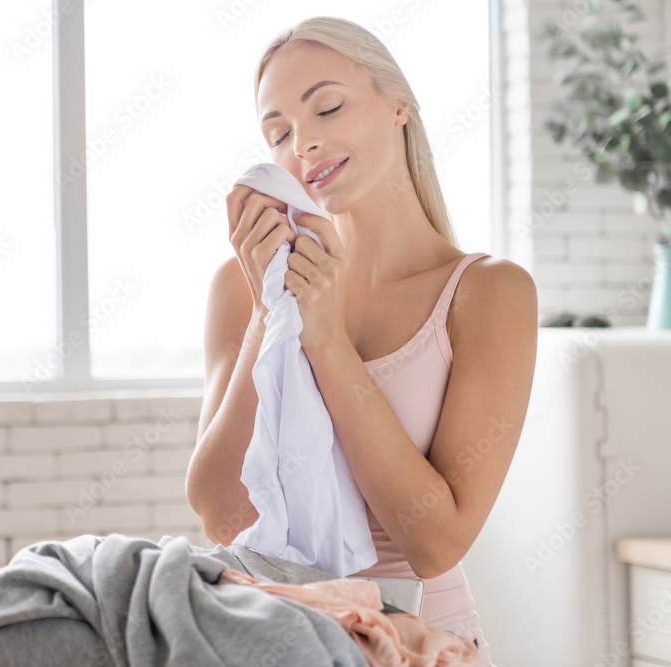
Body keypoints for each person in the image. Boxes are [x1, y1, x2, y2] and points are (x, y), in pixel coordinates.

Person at [185, 16, 538, 667]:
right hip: (280, 631)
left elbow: (436, 543)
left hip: (419, 639)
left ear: (398, 103)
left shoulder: (488, 294)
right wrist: (272, 315)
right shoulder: (242, 288)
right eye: (279, 133)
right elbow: (221, 515)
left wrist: (325, 340)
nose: (305, 143)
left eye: (328, 106)